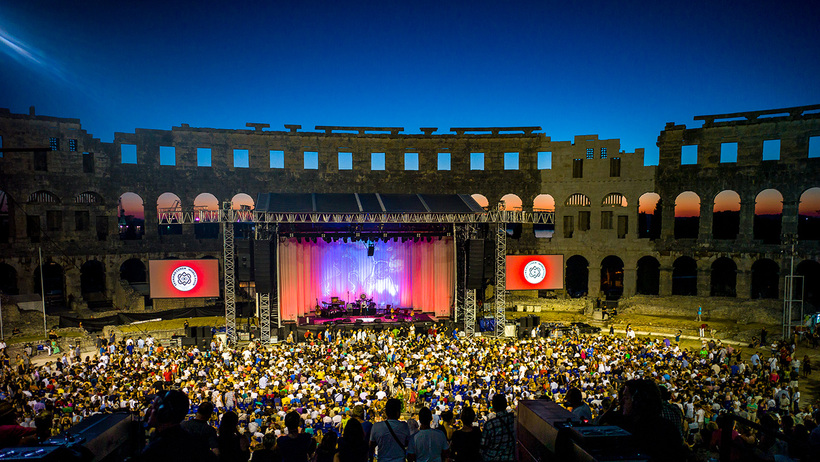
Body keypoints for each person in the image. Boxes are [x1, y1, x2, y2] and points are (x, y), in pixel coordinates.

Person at [136, 389, 218, 462]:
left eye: (154, 408)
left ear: (163, 413)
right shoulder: (194, 442)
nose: (149, 411)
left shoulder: (158, 448)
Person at [481, 393, 515, 462]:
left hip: (492, 458)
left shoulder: (490, 424)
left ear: (493, 407)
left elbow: (483, 445)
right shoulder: (514, 420)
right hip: (509, 457)